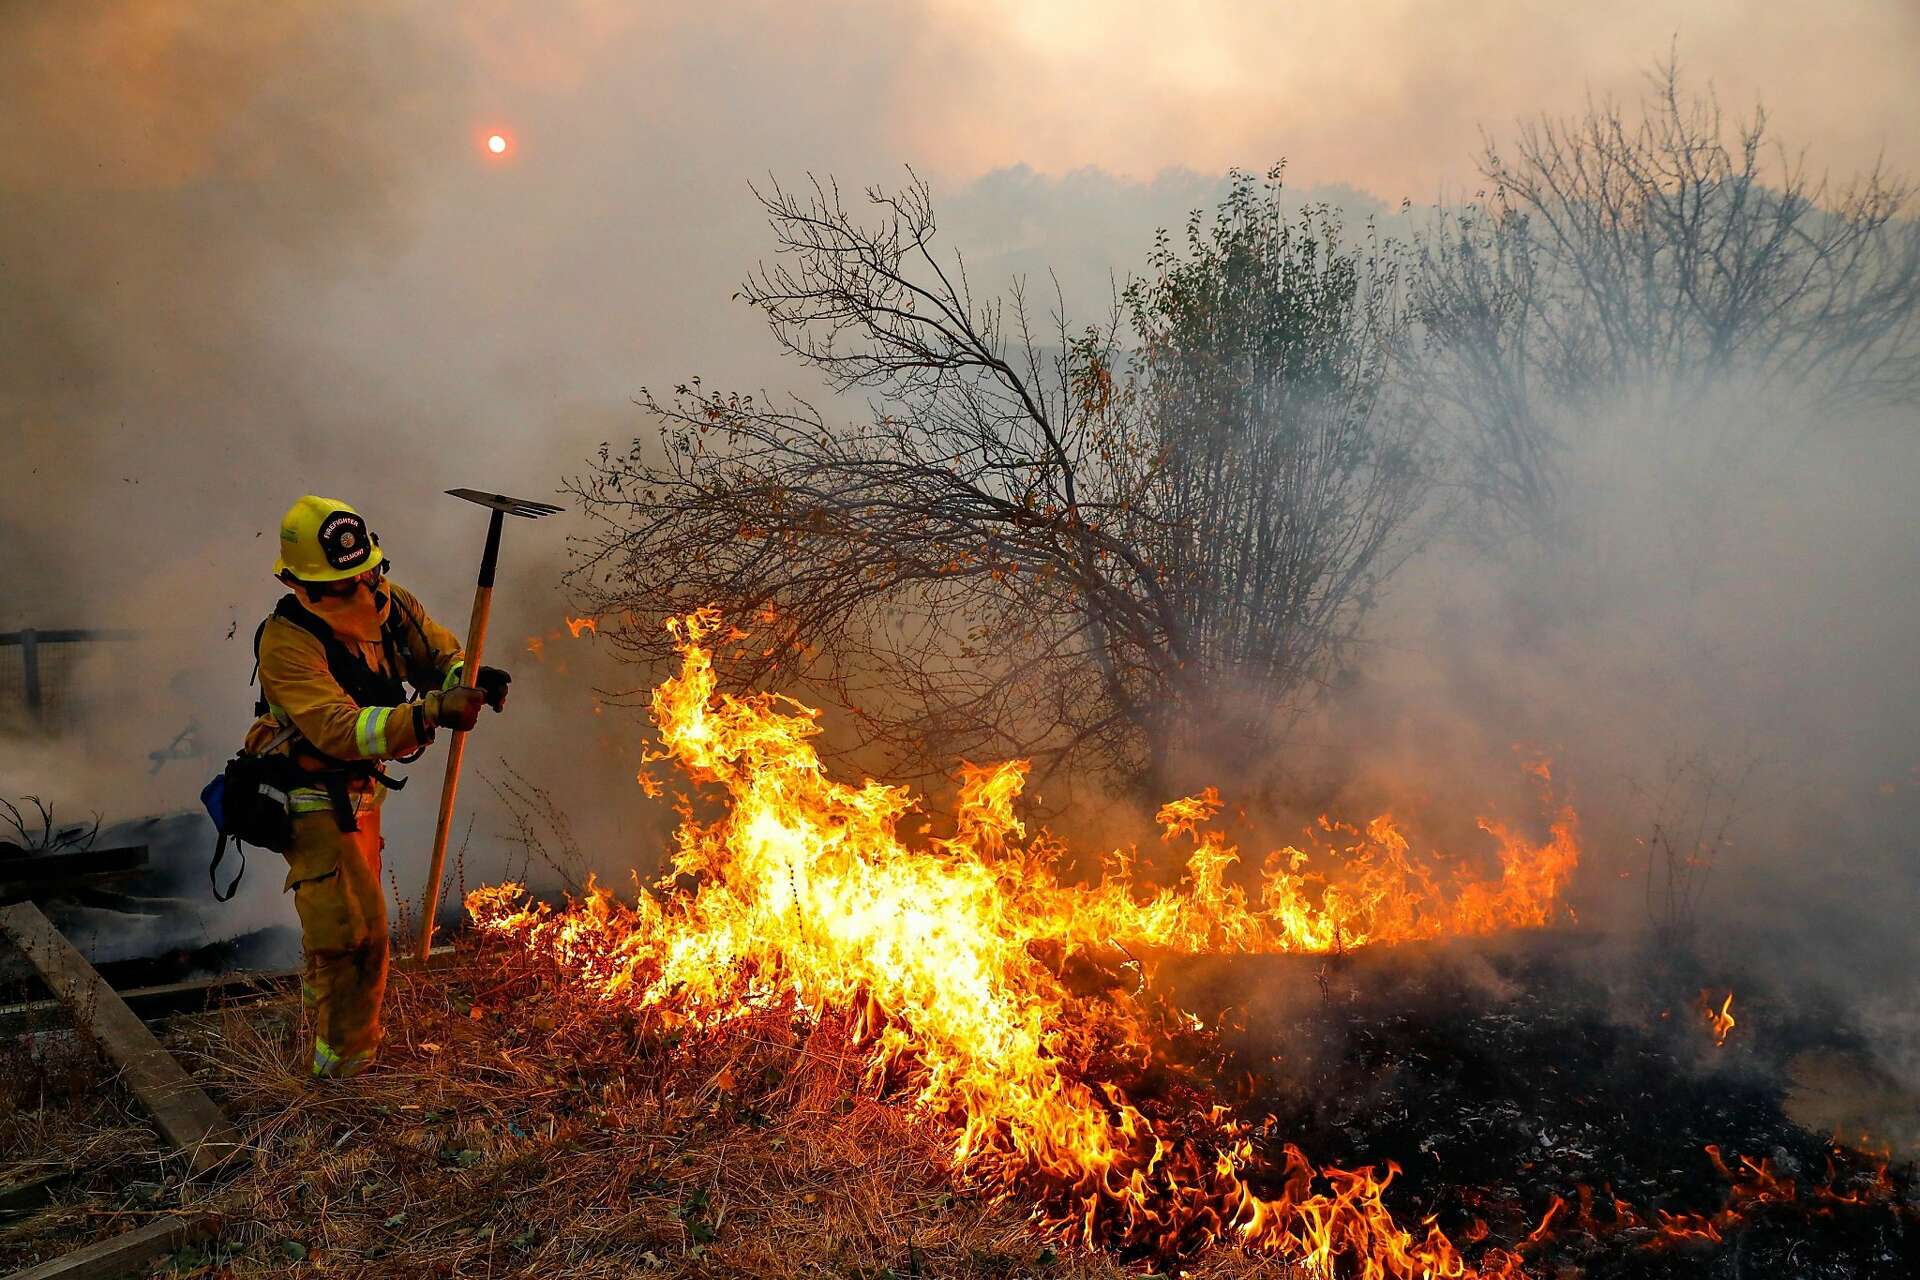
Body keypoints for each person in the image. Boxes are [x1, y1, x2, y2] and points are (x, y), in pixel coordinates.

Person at [245, 495, 509, 1079]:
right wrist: (430, 714)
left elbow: (438, 654)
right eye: (345, 582)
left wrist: (467, 679)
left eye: (366, 572)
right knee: (356, 938)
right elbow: (338, 729)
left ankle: (328, 1032)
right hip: (309, 795)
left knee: (341, 931)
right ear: (302, 584)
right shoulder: (286, 641)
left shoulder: (391, 604)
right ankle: (344, 1079)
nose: (363, 590)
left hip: (362, 794)